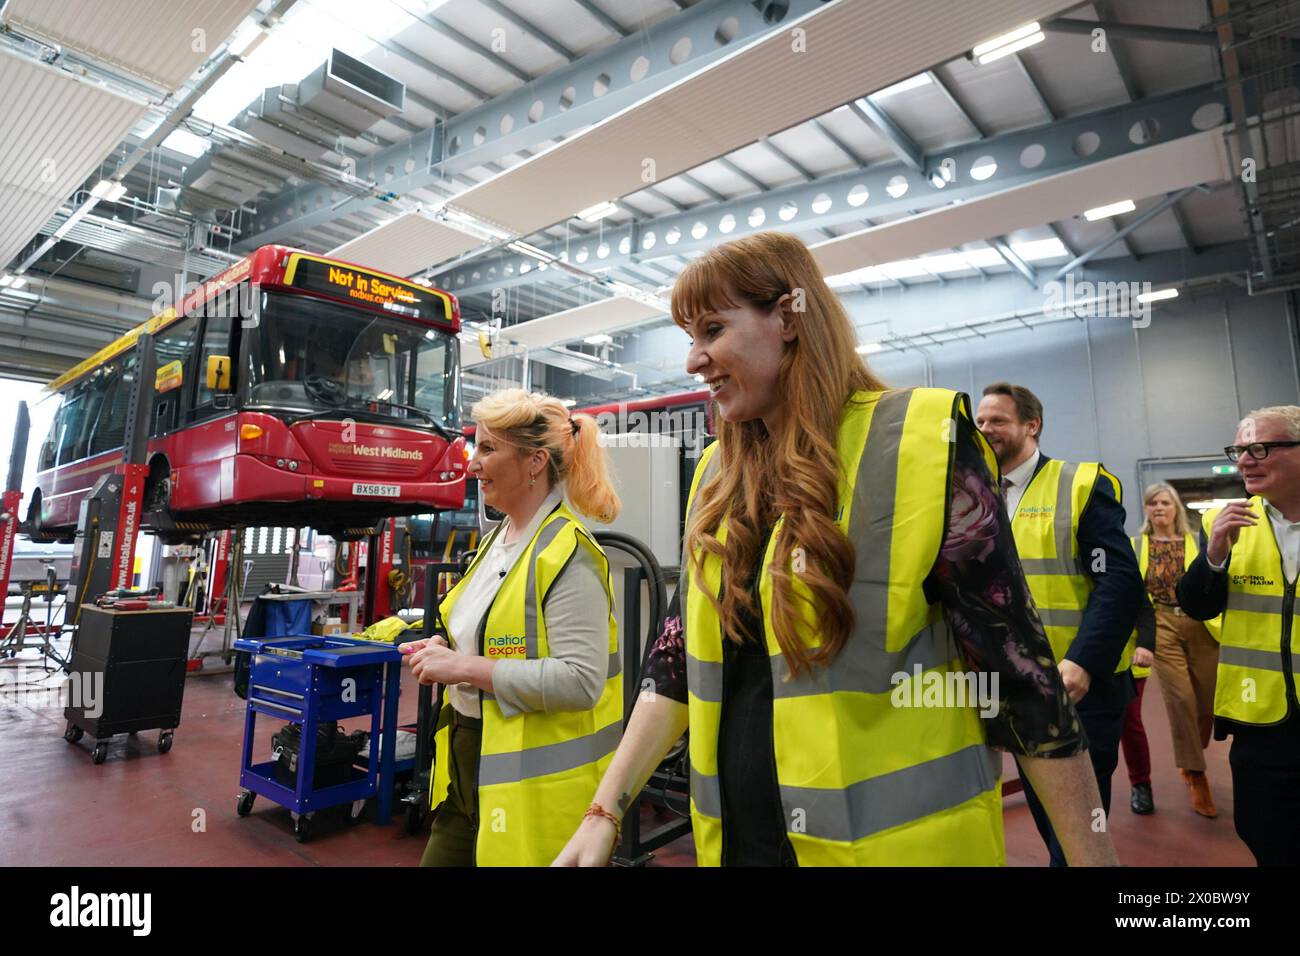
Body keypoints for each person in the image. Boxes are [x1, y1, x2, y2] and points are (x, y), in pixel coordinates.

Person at [554, 231, 1119, 867]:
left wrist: (1094, 859)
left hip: (892, 850)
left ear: (789, 319)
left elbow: (1021, 678)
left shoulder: (919, 443)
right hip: (741, 844)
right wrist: (605, 811)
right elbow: (677, 661)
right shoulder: (718, 474)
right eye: (690, 337)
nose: (694, 359)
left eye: (712, 329)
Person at [399, 388, 623, 866]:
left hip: (528, 786)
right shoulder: (499, 540)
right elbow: (494, 636)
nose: (472, 464)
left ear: (534, 462)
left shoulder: (569, 553)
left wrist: (464, 665)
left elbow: (582, 683)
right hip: (465, 768)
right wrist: (446, 649)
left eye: (488, 449)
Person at [976, 383, 1145, 867]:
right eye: (981, 422)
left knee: (1078, 837)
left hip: (1080, 687)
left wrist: (1083, 662)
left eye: (998, 421)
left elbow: (1119, 582)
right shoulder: (974, 495)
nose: (987, 430)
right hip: (1015, 686)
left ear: (1032, 426)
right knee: (1048, 816)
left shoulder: (1080, 484)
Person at [1177, 406, 1300, 866]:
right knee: (1265, 833)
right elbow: (1197, 605)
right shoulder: (1226, 525)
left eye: (1260, 448)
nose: (1244, 460)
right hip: (1258, 720)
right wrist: (1213, 555)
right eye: (1239, 451)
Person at [1134, 482, 1220, 817]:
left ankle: (1192, 751)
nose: (1159, 508)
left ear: (1176, 509)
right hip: (1162, 623)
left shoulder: (1195, 541)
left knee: (1208, 702)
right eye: (1153, 503)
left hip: (1200, 622)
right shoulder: (1135, 545)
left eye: (1165, 502)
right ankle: (1195, 773)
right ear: (1147, 509)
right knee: (1181, 699)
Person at [1121, 598, 1157, 814]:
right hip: (1078, 660)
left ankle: (1141, 784)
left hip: (1128, 662)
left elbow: (1144, 608)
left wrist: (1145, 644)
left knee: (1129, 722)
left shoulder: (1118, 564)